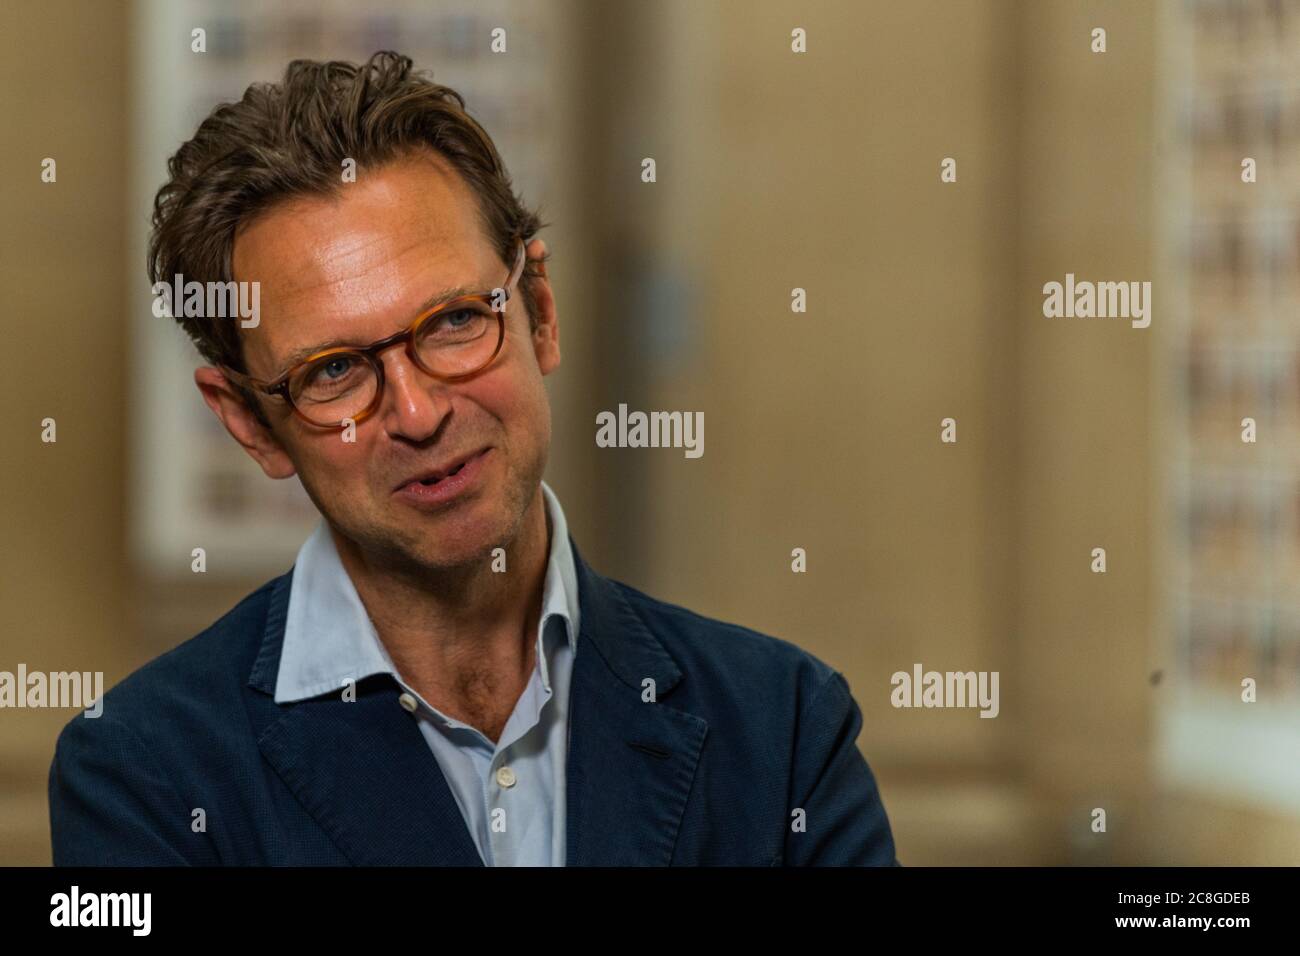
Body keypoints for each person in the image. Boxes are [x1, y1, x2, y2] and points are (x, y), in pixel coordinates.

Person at [48, 51, 898, 866]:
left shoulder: (782, 727)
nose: (417, 414)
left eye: (454, 322)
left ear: (540, 311)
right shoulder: (141, 774)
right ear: (252, 426)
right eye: (333, 371)